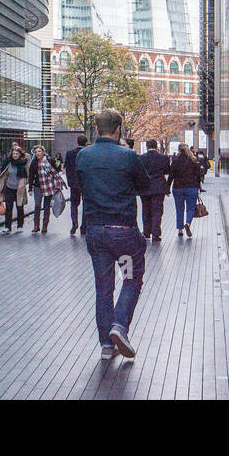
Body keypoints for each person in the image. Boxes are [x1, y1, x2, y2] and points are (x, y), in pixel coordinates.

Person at [76, 108, 152, 361]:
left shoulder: (83, 157)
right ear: (119, 129)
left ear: (97, 129)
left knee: (103, 286)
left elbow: (79, 186)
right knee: (131, 279)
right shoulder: (128, 156)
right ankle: (119, 326)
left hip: (96, 233)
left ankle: (106, 346)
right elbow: (144, 187)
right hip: (123, 235)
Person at [169, 142, 202, 238]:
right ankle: (187, 223)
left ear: (179, 150)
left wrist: (167, 187)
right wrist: (198, 186)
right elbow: (198, 175)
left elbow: (171, 175)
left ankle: (180, 230)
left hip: (178, 188)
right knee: (190, 208)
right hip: (192, 187)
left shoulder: (175, 160)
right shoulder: (194, 160)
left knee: (179, 209)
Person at [0, 142, 29, 234]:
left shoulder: (24, 163)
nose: (15, 155)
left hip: (19, 189)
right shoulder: (8, 162)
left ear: (20, 154)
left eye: (17, 154)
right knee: (9, 208)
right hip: (9, 188)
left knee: (19, 207)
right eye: (13, 153)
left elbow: (28, 175)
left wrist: (24, 184)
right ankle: (7, 227)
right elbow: (3, 174)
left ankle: (20, 226)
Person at [139, 139, 170, 243]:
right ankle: (156, 234)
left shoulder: (141, 158)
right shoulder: (164, 158)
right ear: (156, 146)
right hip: (159, 187)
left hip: (145, 187)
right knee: (157, 211)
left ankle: (146, 232)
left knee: (146, 210)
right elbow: (167, 171)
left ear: (147, 146)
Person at [27, 145, 63, 234]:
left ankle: (45, 226)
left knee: (46, 207)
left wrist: (57, 163)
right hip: (38, 186)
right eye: (35, 152)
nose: (37, 153)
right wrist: (30, 188)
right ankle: (36, 226)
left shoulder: (49, 160)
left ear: (43, 152)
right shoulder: (34, 162)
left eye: (39, 151)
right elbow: (31, 176)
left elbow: (56, 171)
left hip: (49, 186)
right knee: (37, 205)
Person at [63, 134, 87, 236]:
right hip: (85, 182)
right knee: (86, 204)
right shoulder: (87, 153)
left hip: (74, 182)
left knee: (74, 204)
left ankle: (74, 223)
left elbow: (67, 168)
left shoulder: (70, 153)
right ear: (85, 143)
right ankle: (84, 227)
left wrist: (69, 181)